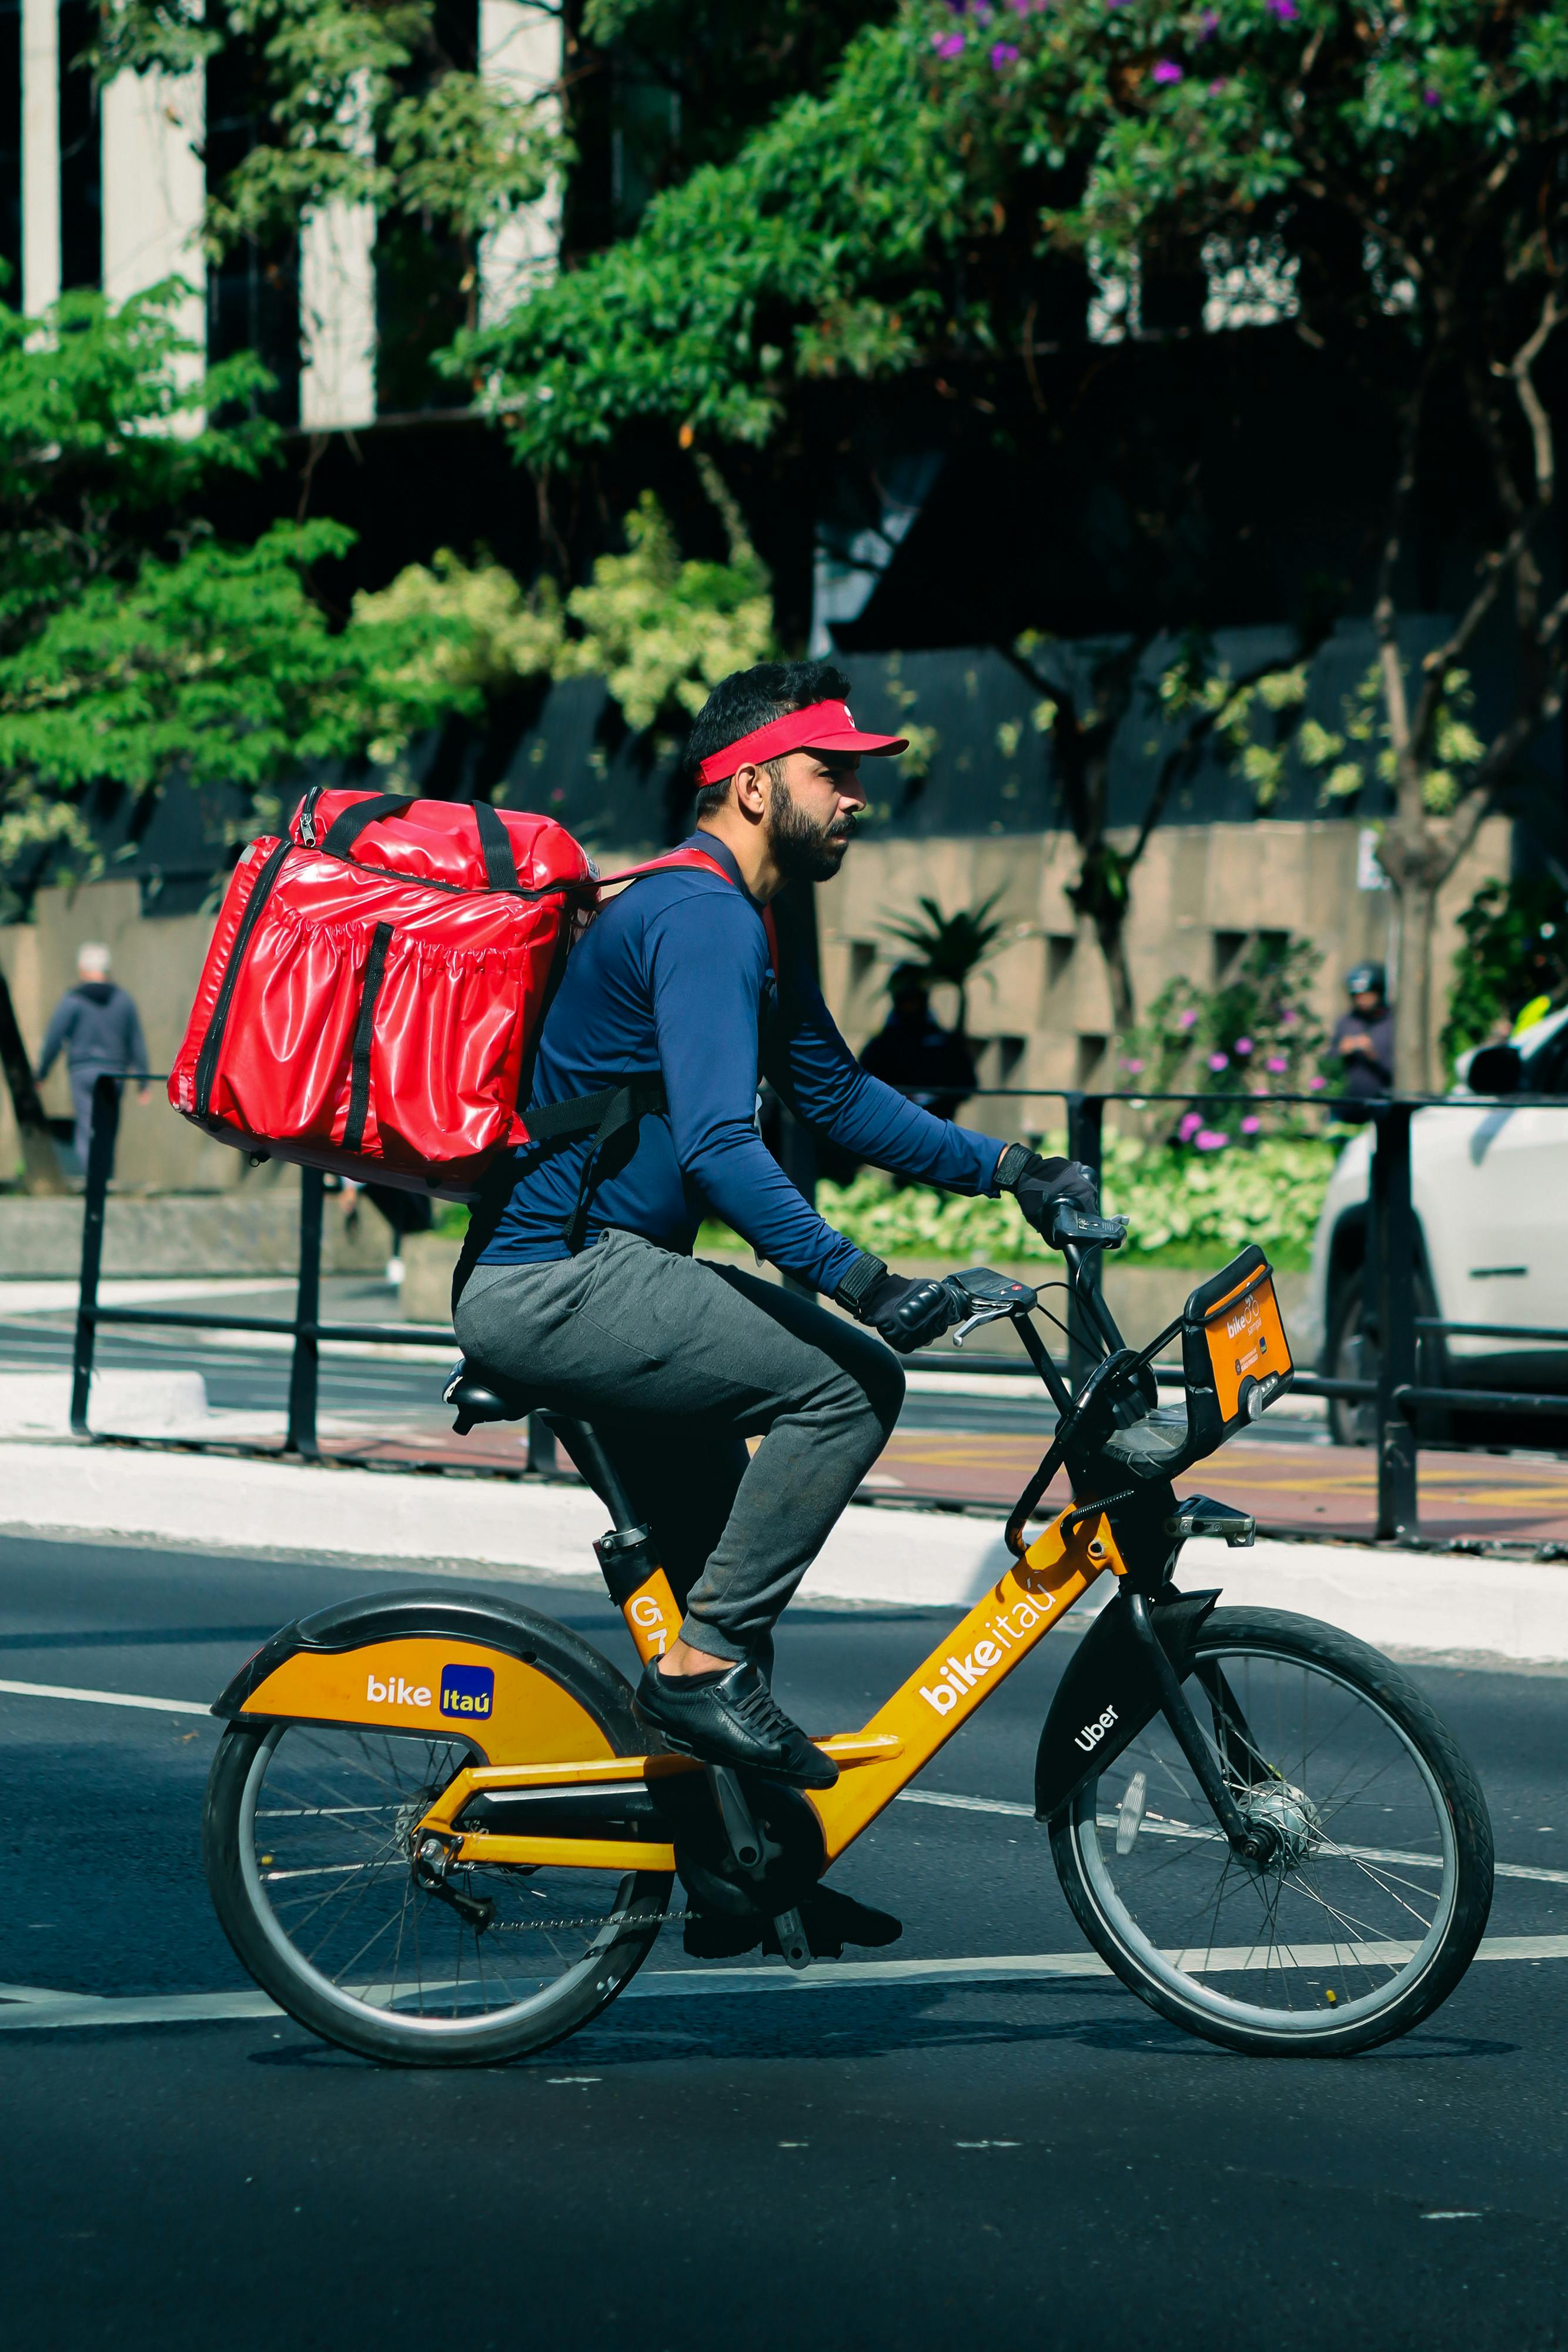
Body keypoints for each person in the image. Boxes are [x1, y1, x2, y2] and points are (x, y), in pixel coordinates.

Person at [452, 660, 1096, 1792]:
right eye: (830, 772)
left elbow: (835, 1097)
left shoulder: (742, 918)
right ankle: (697, 1678)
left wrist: (1012, 1169)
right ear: (753, 788)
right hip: (558, 1280)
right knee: (849, 1386)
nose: (855, 795)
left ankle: (746, 1861)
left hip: (609, 1272)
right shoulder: (701, 916)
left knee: (723, 1583)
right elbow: (717, 1146)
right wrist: (863, 1283)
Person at [36, 944, 149, 1179]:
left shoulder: (73, 1000)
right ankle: (105, 1179)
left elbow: (54, 1038)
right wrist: (143, 1081)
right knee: (108, 1126)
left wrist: (42, 1073)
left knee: (87, 1126)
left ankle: (91, 1182)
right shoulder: (123, 1000)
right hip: (116, 1073)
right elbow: (136, 1040)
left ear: (82, 968)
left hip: (83, 1071)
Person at [858, 964, 977, 1123]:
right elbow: (866, 1086)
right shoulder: (881, 1045)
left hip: (937, 1127)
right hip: (892, 1126)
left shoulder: (946, 1044)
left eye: (914, 1001)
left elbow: (966, 1085)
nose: (910, 1008)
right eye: (906, 1001)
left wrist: (938, 1098)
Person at [1330, 962, 1395, 1111]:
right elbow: (1328, 1064)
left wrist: (1373, 1055)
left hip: (1381, 1106)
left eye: (1366, 995)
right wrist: (1341, 1051)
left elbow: (1400, 1069)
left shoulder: (1391, 1024)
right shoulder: (1347, 1022)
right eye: (1357, 996)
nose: (1361, 1001)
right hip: (1347, 1107)